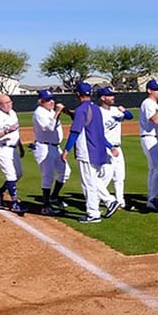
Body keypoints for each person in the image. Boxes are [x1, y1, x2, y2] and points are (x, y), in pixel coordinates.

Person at [62, 81, 120, 223]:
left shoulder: (81, 110)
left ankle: (96, 211)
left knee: (88, 183)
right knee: (93, 180)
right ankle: (105, 204)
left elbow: (75, 132)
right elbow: (101, 132)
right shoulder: (96, 109)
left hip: (86, 149)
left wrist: (66, 150)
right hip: (98, 148)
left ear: (77, 94)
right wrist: (109, 146)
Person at [31, 89, 72, 216]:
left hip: (55, 147)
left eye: (52, 99)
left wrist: (63, 111)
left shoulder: (51, 111)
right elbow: (48, 128)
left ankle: (53, 197)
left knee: (65, 172)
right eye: (48, 100)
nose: (51, 102)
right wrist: (57, 113)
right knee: (47, 176)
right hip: (44, 147)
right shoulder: (39, 113)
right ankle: (46, 206)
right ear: (41, 101)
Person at [97, 86, 134, 210]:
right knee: (106, 176)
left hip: (118, 147)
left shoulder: (115, 110)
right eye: (110, 95)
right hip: (106, 147)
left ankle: (120, 201)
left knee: (119, 176)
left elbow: (130, 116)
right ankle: (95, 200)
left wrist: (124, 110)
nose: (113, 97)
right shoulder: (98, 112)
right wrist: (110, 147)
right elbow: (98, 134)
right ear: (102, 98)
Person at [0, 94, 25, 215]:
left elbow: (17, 133)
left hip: (13, 148)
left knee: (18, 174)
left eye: (9, 102)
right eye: (5, 103)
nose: (8, 104)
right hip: (2, 148)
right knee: (11, 175)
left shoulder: (13, 113)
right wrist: (7, 131)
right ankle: (14, 203)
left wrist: (21, 147)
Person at [137, 79, 158, 212]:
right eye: (156, 89)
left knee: (153, 169)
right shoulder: (148, 103)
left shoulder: (152, 103)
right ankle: (152, 199)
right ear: (149, 91)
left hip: (155, 138)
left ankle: (152, 198)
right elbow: (155, 120)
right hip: (149, 138)